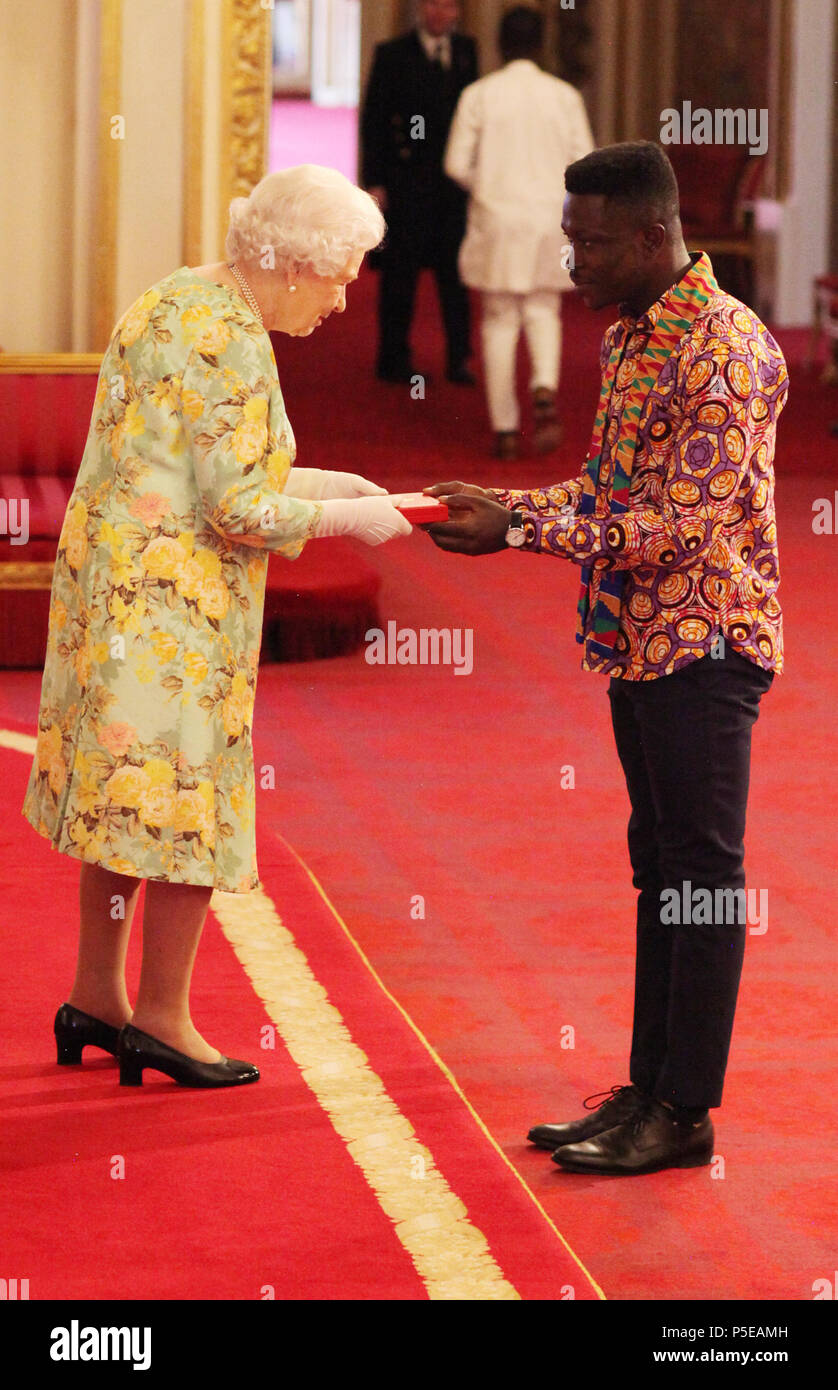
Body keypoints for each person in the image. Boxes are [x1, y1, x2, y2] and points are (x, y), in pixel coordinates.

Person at [424, 142, 788, 1175]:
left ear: (650, 236)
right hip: (640, 639)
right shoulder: (636, 332)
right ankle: (649, 1088)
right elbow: (602, 492)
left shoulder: (720, 348)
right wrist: (505, 509)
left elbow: (677, 524)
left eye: (585, 243)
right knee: (660, 871)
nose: (568, 260)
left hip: (704, 642)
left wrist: (518, 532)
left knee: (703, 878)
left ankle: (684, 1110)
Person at [24, 165, 411, 1090]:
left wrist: (332, 485)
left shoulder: (180, 295)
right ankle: (159, 1017)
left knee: (122, 798)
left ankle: (95, 997)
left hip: (112, 592)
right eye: (341, 273)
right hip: (173, 610)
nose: (348, 295)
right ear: (294, 263)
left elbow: (188, 459)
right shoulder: (234, 338)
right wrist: (350, 518)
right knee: (184, 805)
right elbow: (238, 508)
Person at [444, 5, 594, 458]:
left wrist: (487, 185)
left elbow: (454, 163)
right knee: (544, 310)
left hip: (497, 218)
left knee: (499, 320)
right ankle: (544, 387)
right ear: (540, 44)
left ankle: (505, 429)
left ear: (500, 45)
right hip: (549, 216)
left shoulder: (479, 94)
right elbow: (584, 161)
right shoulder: (564, 95)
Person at [361, 0, 478, 384]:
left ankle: (459, 357)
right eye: (432, 4)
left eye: (447, 6)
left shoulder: (465, 52)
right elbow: (373, 121)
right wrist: (374, 181)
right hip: (406, 181)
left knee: (454, 276)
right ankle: (391, 356)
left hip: (452, 185)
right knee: (400, 273)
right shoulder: (392, 54)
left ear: (457, 11)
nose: (439, 13)